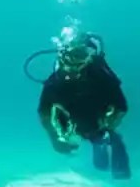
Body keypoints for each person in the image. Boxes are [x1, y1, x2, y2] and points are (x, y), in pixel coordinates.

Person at [36, 30, 131, 179]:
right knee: (91, 151)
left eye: (80, 56)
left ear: (88, 58)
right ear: (62, 55)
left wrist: (109, 123)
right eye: (71, 56)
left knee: (101, 141)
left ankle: (104, 143)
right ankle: (97, 143)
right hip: (71, 123)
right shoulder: (55, 81)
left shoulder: (101, 74)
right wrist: (54, 137)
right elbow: (44, 112)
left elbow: (121, 106)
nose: (74, 63)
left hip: (98, 120)